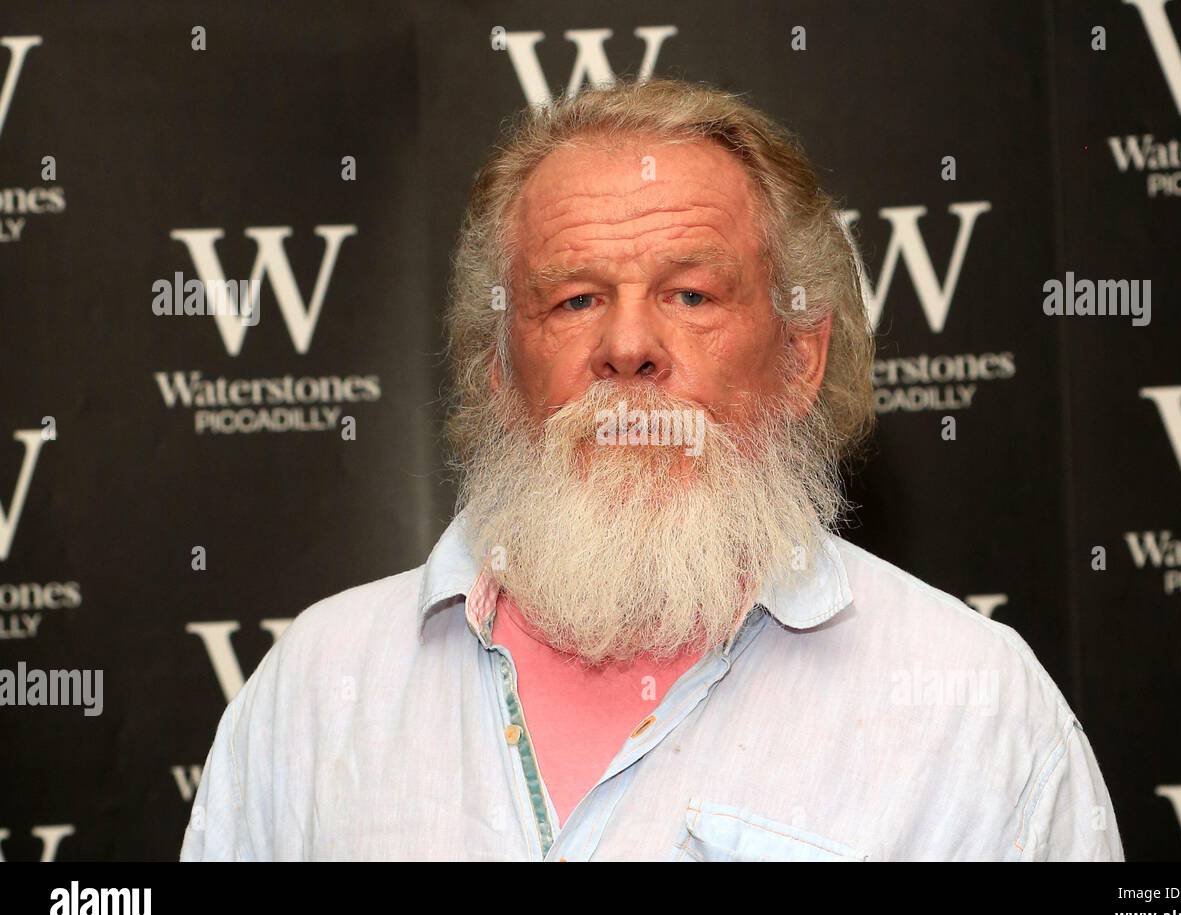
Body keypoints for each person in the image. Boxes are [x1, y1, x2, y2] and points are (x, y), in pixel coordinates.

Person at [180, 78, 1123, 861]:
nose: (629, 345)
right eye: (577, 298)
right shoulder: (316, 690)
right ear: (496, 369)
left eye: (690, 293)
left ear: (800, 357)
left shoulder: (979, 712)